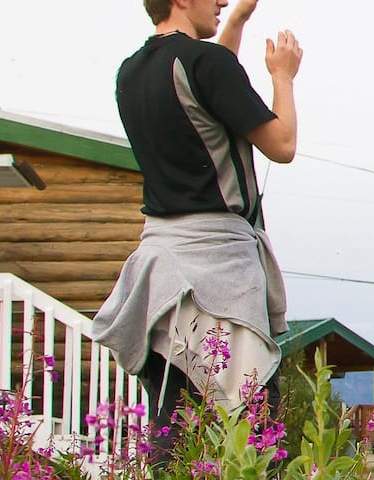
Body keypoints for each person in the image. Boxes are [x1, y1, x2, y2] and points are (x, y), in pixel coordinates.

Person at [89, 0, 302, 460]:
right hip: (219, 273)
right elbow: (282, 144)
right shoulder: (207, 64)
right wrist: (283, 77)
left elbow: (206, 89)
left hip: (161, 274)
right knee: (253, 433)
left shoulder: (131, 72)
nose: (222, 2)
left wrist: (238, 21)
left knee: (176, 429)